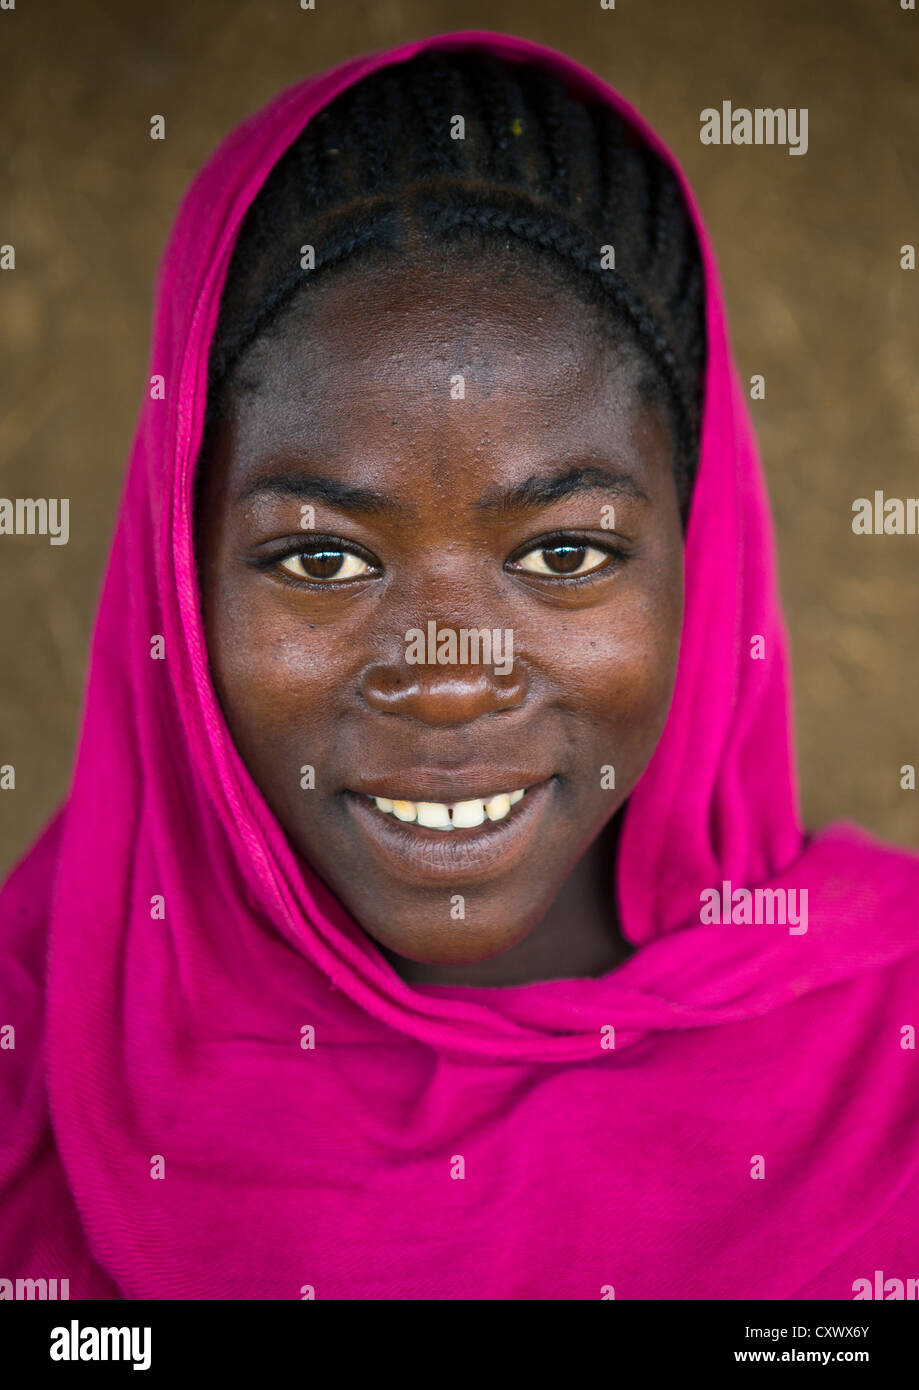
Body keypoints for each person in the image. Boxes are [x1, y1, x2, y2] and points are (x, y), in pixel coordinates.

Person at [1, 29, 917, 1302]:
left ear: (701, 565)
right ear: (177, 563)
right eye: (321, 562)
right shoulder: (28, 1066)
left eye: (564, 552)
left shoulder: (889, 1058)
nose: (442, 678)